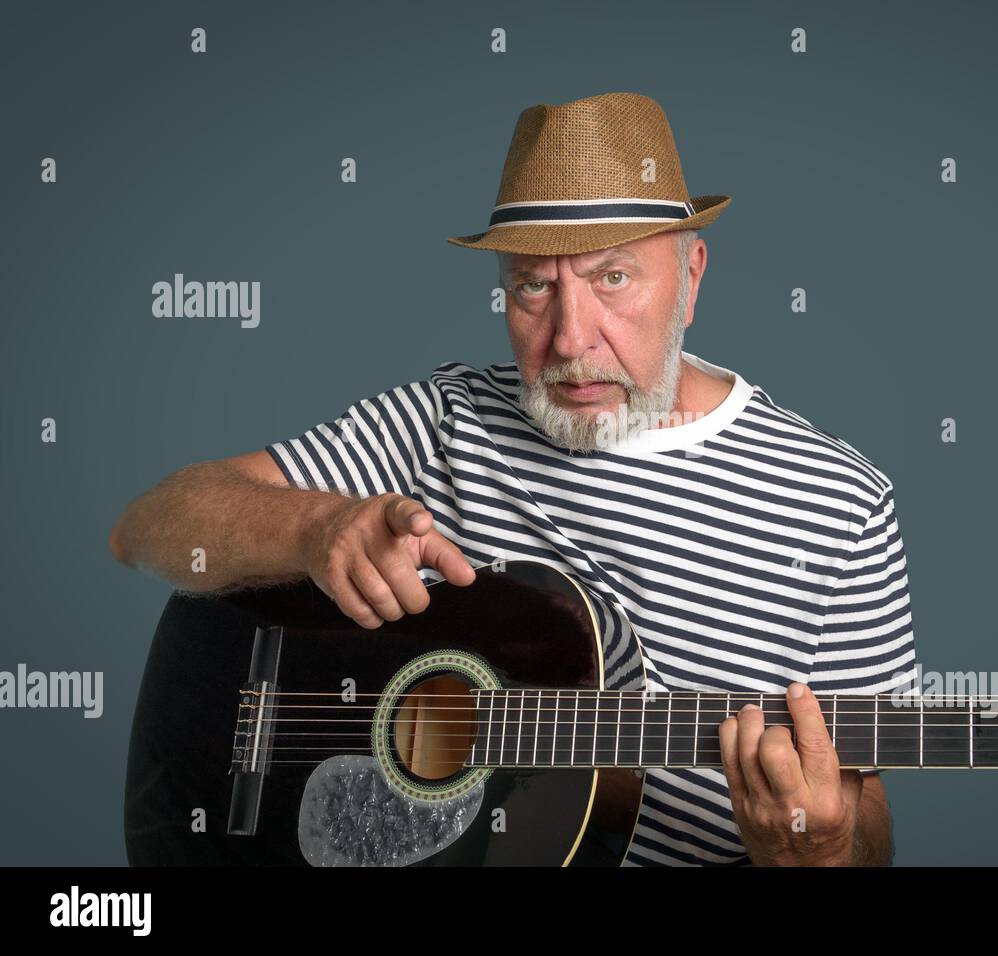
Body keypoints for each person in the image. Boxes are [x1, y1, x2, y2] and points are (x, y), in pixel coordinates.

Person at [109, 91, 918, 866]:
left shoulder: (839, 502)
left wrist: (817, 852)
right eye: (534, 285)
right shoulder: (444, 417)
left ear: (692, 276)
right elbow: (148, 526)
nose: (570, 338)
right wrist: (315, 530)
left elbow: (865, 817)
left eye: (613, 278)